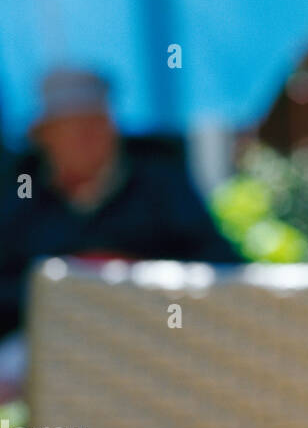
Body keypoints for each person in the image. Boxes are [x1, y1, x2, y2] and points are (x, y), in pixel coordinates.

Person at [0, 67, 239, 348]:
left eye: (94, 125)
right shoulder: (19, 193)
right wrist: (61, 285)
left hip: (153, 335)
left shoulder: (161, 184)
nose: (86, 140)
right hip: (48, 343)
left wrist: (135, 275)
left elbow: (223, 268)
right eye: (71, 129)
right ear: (44, 136)